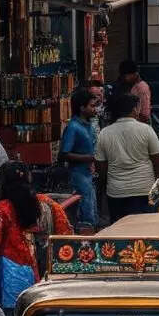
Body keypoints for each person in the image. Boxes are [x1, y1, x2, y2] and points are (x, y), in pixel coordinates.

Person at [0, 162, 72, 316]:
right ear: (28, 177)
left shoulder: (1, 207)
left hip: (12, 267)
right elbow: (64, 232)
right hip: (45, 267)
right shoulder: (46, 202)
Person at [96, 92, 159, 222]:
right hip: (143, 190)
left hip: (116, 192)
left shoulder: (104, 133)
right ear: (134, 109)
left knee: (119, 232)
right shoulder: (146, 130)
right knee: (143, 230)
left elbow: (101, 168)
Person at [59, 87, 100, 234]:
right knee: (85, 211)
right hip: (78, 175)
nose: (95, 109)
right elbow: (65, 153)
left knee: (91, 208)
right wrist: (89, 158)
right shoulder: (73, 127)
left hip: (87, 175)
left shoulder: (87, 126)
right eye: (92, 106)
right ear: (82, 108)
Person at [113, 60, 152, 124]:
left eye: (126, 76)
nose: (124, 78)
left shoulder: (141, 87)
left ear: (135, 74)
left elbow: (145, 114)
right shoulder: (127, 85)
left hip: (138, 124)